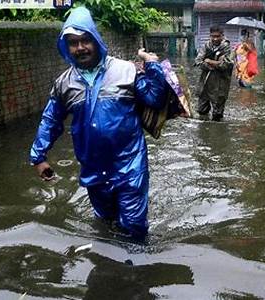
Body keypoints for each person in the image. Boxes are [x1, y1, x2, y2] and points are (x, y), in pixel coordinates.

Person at [29, 7, 167, 240]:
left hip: (129, 164)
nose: (80, 47)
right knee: (105, 223)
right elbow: (50, 119)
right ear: (67, 47)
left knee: (134, 228)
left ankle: (137, 273)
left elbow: (155, 97)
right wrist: (38, 156)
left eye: (85, 40)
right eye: (73, 43)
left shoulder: (126, 71)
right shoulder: (64, 84)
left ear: (96, 39)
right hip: (93, 168)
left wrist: (152, 64)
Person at [194, 25, 234, 121]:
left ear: (222, 36)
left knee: (217, 114)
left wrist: (209, 61)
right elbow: (198, 61)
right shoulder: (206, 45)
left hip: (220, 83)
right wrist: (211, 64)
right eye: (213, 36)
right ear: (210, 36)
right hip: (205, 81)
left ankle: (218, 133)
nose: (215, 39)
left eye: (217, 36)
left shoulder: (226, 47)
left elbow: (226, 65)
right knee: (201, 111)